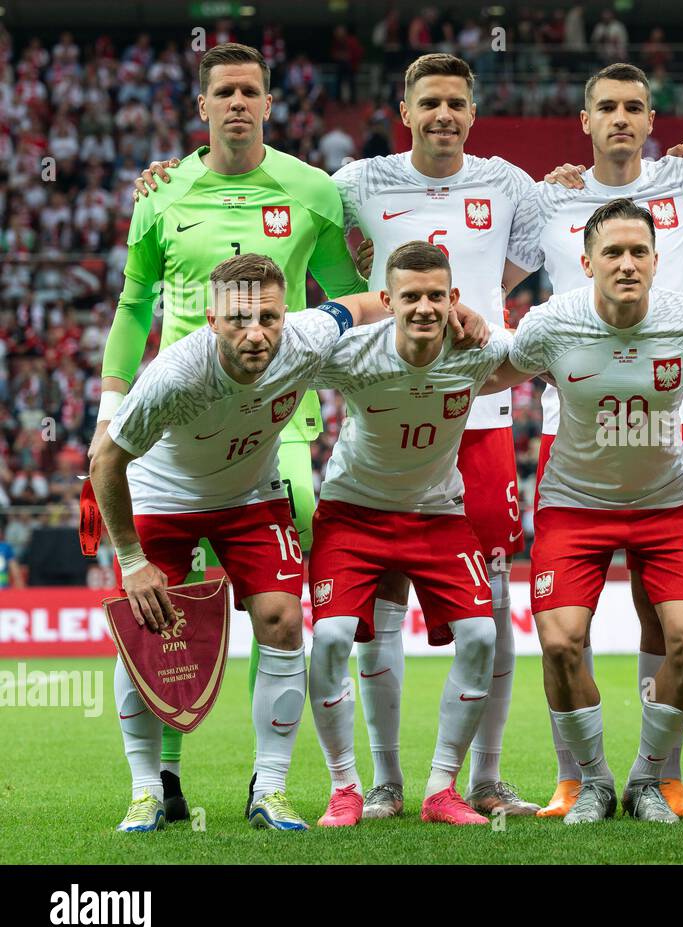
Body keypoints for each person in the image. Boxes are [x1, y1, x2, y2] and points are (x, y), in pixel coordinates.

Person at [101, 42, 370, 822]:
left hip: (274, 416)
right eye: (224, 92)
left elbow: (348, 299)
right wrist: (108, 404)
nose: (239, 103)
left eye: (252, 90)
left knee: (280, 597)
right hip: (173, 414)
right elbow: (133, 304)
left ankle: (268, 781)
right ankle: (165, 781)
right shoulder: (161, 192)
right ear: (203, 106)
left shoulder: (312, 190)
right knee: (168, 602)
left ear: (269, 101)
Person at [90, 254, 389, 832]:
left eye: (270, 318)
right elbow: (105, 462)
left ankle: (270, 791)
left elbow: (362, 304)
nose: (256, 333)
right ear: (210, 319)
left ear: (286, 314)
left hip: (251, 497)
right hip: (163, 499)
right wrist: (130, 561)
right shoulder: (176, 376)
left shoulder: (305, 336)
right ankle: (146, 791)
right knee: (144, 631)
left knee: (281, 621)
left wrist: (461, 315)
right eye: (238, 319)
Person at [507, 62, 683, 817]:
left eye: (635, 106)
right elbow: (486, 356)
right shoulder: (550, 253)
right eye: (606, 106)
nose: (630, 262)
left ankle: (650, 776)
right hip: (576, 490)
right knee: (562, 641)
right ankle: (591, 779)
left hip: (670, 484)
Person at [331, 52, 541, 819]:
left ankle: (481, 778)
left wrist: (480, 302)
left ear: (472, 113)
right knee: (379, 598)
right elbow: (290, 216)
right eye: (432, 102)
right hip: (384, 409)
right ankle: (385, 782)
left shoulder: (508, 183)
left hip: (476, 417)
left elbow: (537, 253)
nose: (446, 114)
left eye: (458, 101)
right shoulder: (359, 182)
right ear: (406, 110)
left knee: (490, 601)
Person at [308, 241, 509, 827]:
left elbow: (542, 352)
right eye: (410, 296)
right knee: (330, 640)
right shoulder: (352, 354)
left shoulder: (477, 351)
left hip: (437, 513)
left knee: (479, 636)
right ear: (389, 301)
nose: (423, 307)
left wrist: (486, 323)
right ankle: (345, 786)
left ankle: (441, 790)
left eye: (435, 296)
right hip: (352, 513)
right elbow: (284, 348)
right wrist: (351, 308)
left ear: (453, 300)